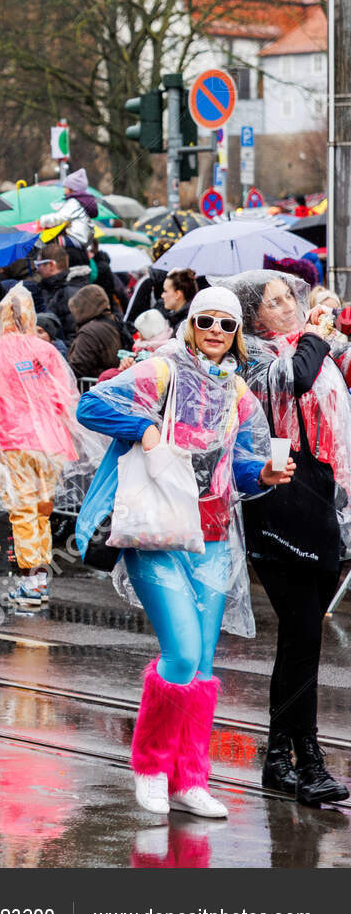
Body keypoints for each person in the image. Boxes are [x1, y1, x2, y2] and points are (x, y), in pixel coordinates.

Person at [75, 286, 291, 818]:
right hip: (156, 531)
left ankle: (188, 777)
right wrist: (145, 426)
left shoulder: (239, 391)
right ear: (190, 324)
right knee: (181, 653)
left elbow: (241, 465)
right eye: (206, 321)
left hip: (213, 536)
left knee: (202, 663)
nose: (216, 331)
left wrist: (263, 472)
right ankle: (151, 766)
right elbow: (92, 403)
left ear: (237, 334)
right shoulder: (162, 370)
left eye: (227, 324)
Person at [228, 270, 351, 805]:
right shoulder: (254, 357)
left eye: (289, 298)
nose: (290, 307)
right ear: (254, 317)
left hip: (322, 500)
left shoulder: (304, 347)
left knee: (301, 641)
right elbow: (297, 378)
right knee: (301, 635)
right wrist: (318, 337)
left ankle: (281, 760)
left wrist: (331, 344)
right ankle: (307, 760)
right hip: (278, 502)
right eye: (275, 303)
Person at [0, 286, 96, 608]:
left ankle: (31, 580)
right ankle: (39, 578)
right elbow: (65, 396)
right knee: (41, 510)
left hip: (13, 441)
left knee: (23, 511)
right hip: (49, 443)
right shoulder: (47, 352)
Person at [67, 283, 124, 380]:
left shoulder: (89, 331)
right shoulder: (113, 321)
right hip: (111, 384)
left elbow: (79, 367)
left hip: (95, 388)